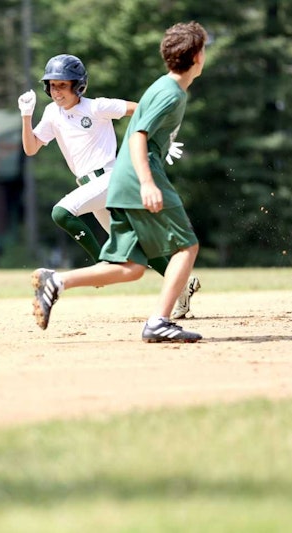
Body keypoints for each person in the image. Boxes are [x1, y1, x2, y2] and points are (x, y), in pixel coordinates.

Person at [30, 21, 208, 343]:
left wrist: (161, 136)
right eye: (52, 86)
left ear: (79, 86)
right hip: (95, 186)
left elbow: (139, 112)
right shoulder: (52, 114)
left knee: (61, 212)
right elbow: (30, 148)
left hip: (113, 177)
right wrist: (25, 118)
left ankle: (95, 269)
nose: (56, 91)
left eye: (63, 85)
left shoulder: (96, 107)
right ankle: (182, 285)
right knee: (136, 255)